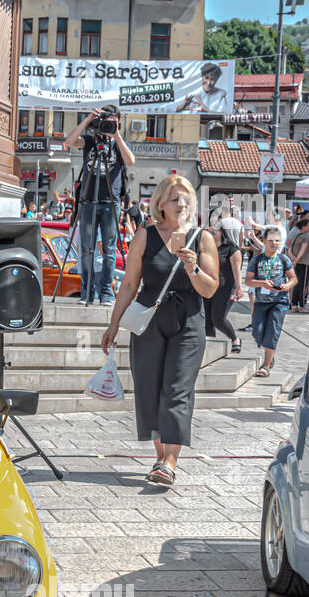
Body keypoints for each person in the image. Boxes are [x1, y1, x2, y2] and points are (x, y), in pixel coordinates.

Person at [100, 174, 219, 487]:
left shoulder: (202, 238)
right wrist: (114, 324)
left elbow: (210, 289)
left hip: (189, 321)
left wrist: (192, 267)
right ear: (161, 204)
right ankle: (159, 454)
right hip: (149, 318)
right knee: (150, 388)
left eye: (186, 198)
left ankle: (170, 460)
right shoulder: (146, 236)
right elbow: (129, 284)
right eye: (174, 199)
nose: (181, 204)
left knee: (177, 390)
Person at [68, 106, 136, 305]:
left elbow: (130, 161)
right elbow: (70, 142)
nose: (108, 126)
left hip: (111, 203)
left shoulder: (119, 145)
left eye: (113, 122)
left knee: (108, 249)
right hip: (89, 202)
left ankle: (106, 292)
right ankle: (86, 292)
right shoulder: (89, 142)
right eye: (106, 122)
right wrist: (87, 120)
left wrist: (117, 136)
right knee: (87, 249)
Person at [244, 226, 296, 379]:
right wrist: (261, 284)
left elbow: (294, 278)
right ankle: (270, 354)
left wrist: (288, 285)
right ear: (264, 241)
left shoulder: (283, 259)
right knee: (258, 332)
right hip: (261, 302)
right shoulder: (257, 260)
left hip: (279, 302)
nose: (274, 244)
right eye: (271, 241)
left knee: (272, 332)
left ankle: (266, 366)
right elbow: (248, 281)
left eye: (277, 241)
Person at [205, 215, 244, 354]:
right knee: (206, 317)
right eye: (209, 231)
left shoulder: (232, 249)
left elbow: (236, 269)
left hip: (226, 288)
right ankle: (206, 345)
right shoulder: (207, 247)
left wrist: (239, 288)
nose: (210, 234)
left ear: (222, 232)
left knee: (218, 318)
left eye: (214, 232)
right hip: (209, 286)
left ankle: (235, 339)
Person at [286, 212, 309, 313]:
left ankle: (294, 305)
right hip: (304, 262)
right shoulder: (305, 236)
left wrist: (294, 259)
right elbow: (303, 249)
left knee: (296, 283)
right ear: (304, 226)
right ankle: (301, 306)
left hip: (296, 263)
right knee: (302, 284)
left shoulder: (297, 234)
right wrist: (296, 260)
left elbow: (289, 248)